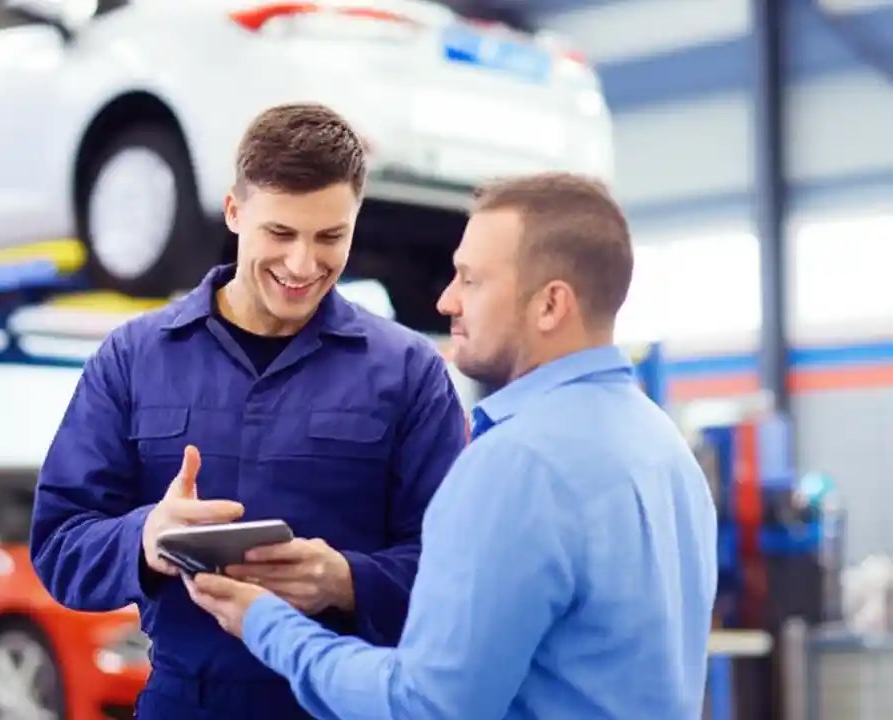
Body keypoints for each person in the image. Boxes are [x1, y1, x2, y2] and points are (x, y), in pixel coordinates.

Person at [184, 172, 720, 719]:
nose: (445, 301)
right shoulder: (664, 449)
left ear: (550, 305)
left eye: (470, 280)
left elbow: (424, 707)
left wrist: (268, 625)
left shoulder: (518, 463)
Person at [29, 102, 467, 719]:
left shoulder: (409, 373)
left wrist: (346, 581)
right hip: (186, 701)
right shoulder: (134, 358)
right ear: (235, 212)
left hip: (344, 702)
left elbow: (458, 571)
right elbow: (59, 544)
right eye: (280, 233)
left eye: (330, 237)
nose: (302, 264)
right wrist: (146, 537)